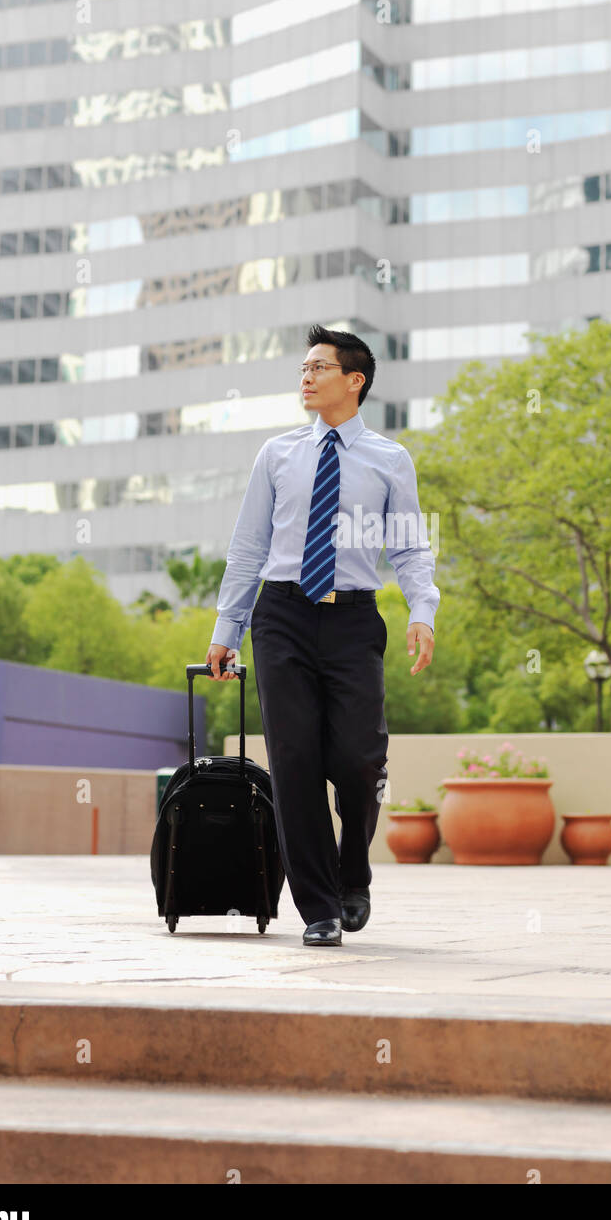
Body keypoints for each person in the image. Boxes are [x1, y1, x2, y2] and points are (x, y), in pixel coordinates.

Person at [206, 326, 439, 946]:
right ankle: (319, 908)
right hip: (280, 615)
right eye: (302, 369)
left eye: (318, 368)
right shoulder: (277, 454)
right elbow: (249, 545)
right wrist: (227, 626)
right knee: (295, 764)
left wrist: (423, 611)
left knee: (359, 762)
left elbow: (411, 545)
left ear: (354, 380)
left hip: (354, 619)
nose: (305, 377)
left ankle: (353, 874)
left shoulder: (390, 459)